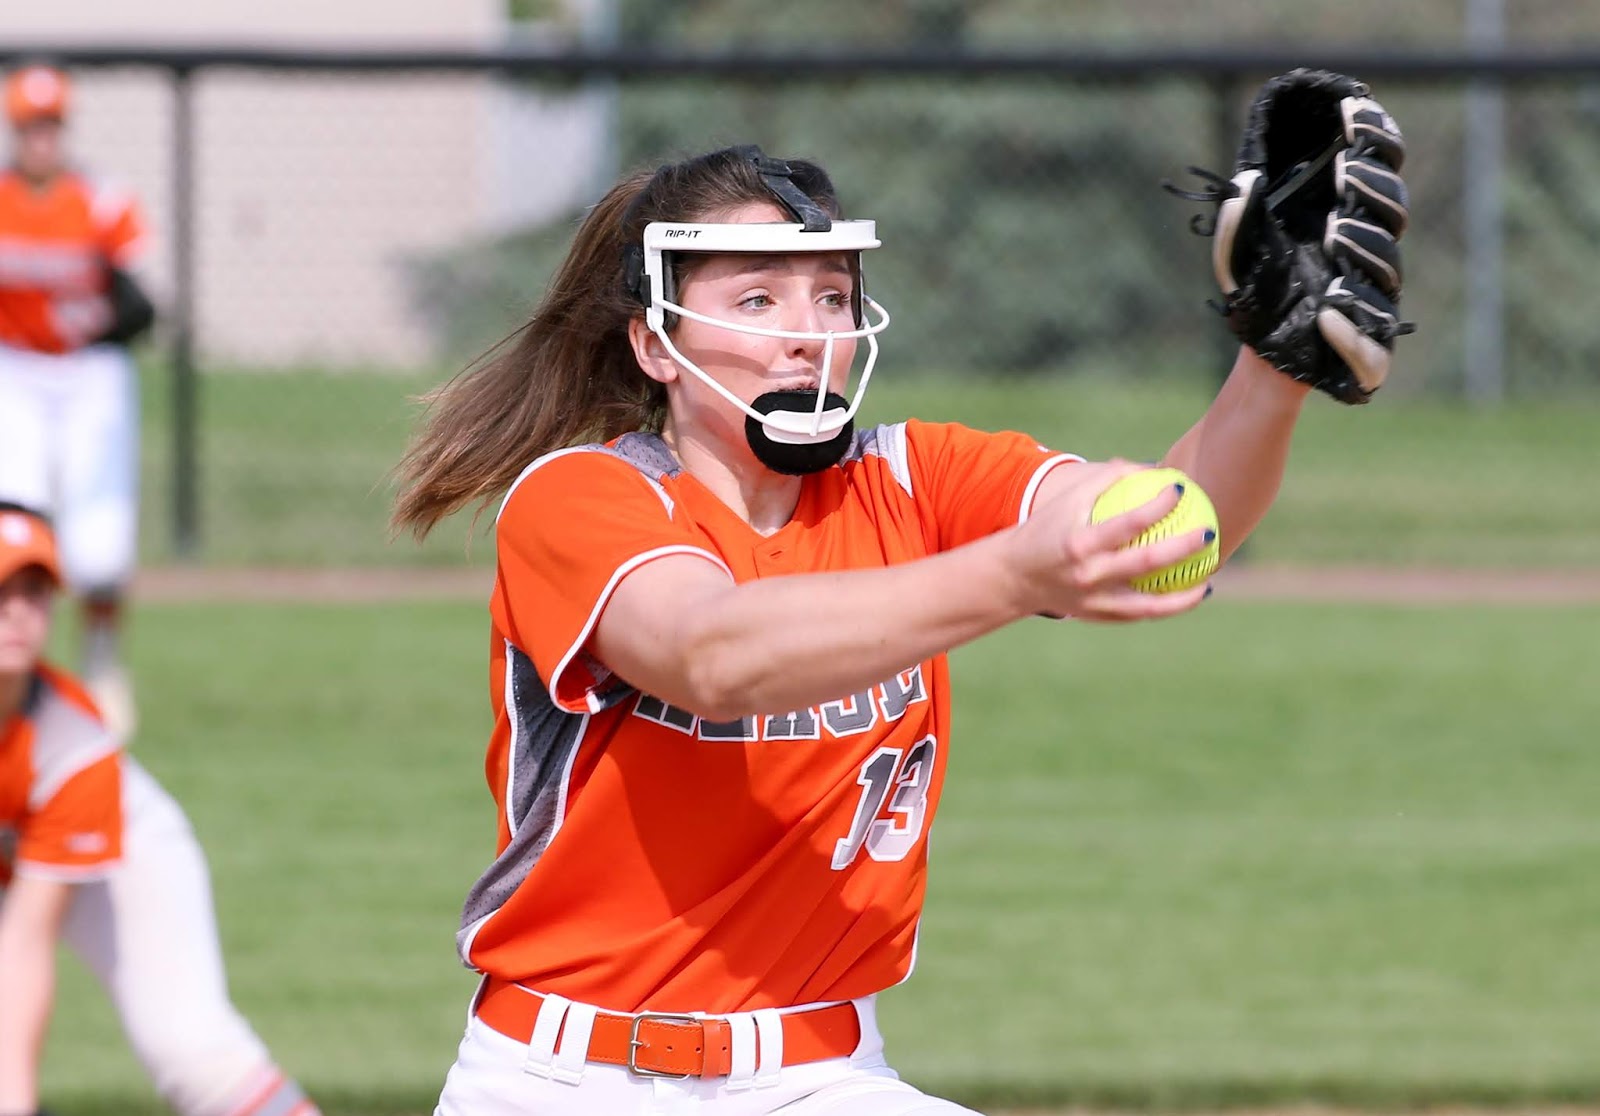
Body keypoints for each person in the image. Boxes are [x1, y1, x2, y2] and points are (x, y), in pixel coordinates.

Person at [388, 143, 1326, 1115]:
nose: (808, 333)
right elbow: (709, 654)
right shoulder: (583, 496)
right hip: (565, 1081)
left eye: (832, 297)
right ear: (656, 345)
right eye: (758, 300)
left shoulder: (912, 477)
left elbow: (1165, 527)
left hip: (822, 1080)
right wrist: (1013, 573)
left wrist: (1273, 368)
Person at [0, 502, 321, 1116]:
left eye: (33, 590)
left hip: (121, 851)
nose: (17, 611)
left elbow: (23, 946)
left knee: (192, 1050)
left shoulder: (73, 743)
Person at [0, 63, 156, 741]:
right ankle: (18, 679)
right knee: (15, 524)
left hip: (89, 372)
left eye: (51, 126)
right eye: (30, 127)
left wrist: (125, 309)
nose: (41, 139)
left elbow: (140, 303)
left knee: (99, 550)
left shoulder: (101, 202)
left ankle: (100, 667)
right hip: (14, 370)